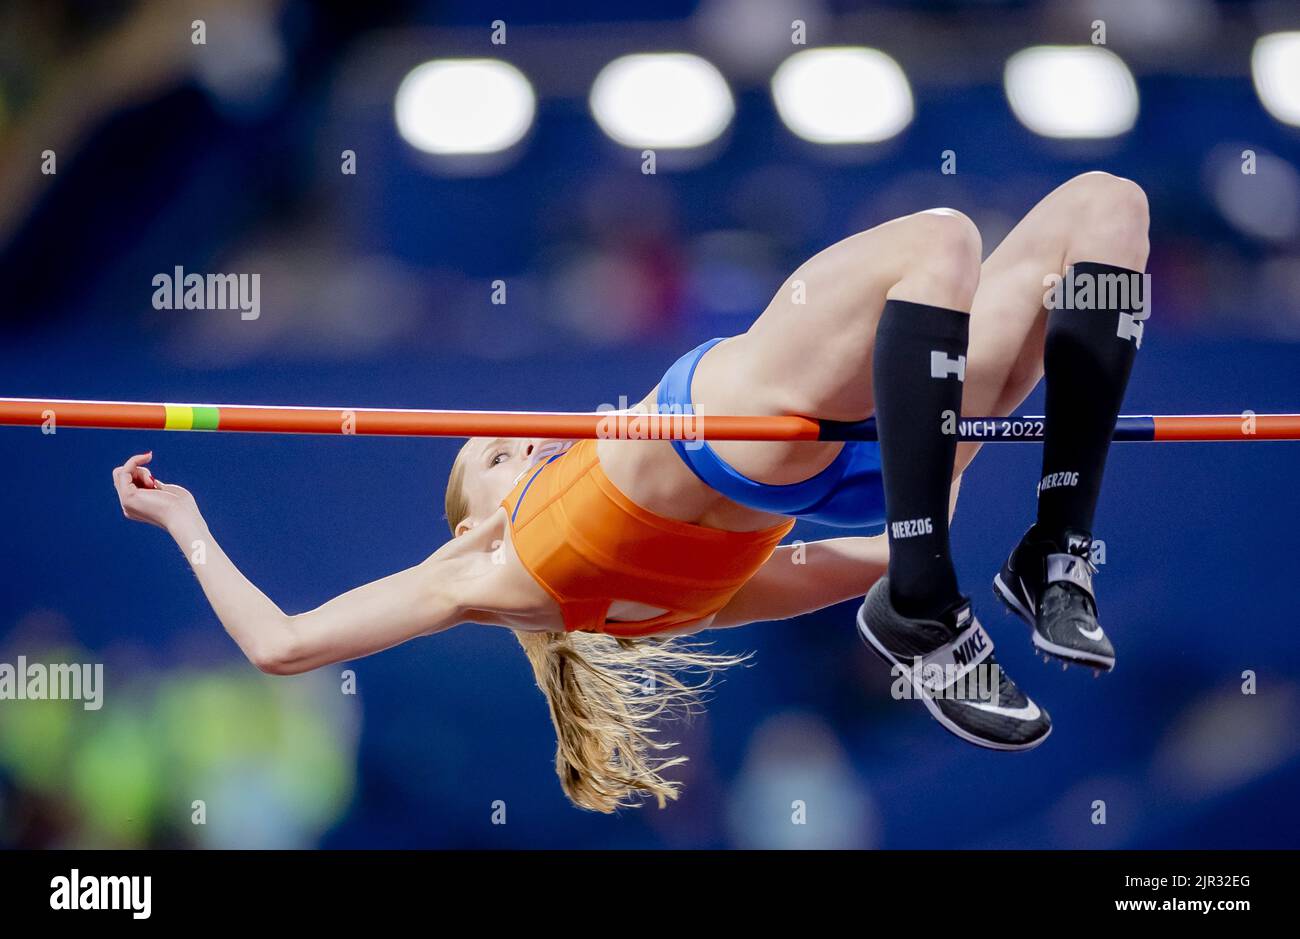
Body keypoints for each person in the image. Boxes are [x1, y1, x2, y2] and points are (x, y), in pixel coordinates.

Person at [113, 172, 1150, 811]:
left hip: (852, 459)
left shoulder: (674, 595)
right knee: (940, 240)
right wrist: (184, 518)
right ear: (470, 519)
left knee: (1106, 210)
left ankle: (1052, 549)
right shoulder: (489, 564)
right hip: (740, 431)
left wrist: (938, 486)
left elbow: (880, 554)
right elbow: (281, 646)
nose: (519, 443)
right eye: (492, 455)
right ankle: (940, 602)